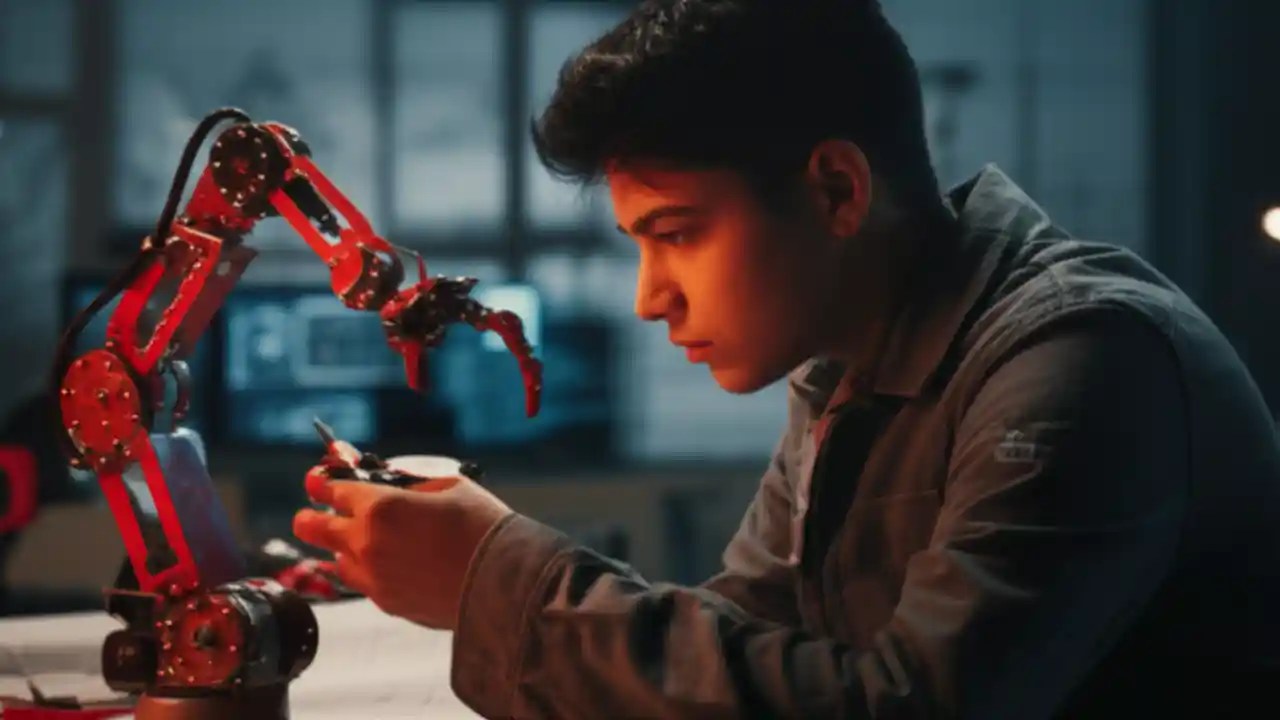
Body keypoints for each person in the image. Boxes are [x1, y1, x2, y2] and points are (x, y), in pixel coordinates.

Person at [292, 0, 1280, 716]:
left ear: (836, 190)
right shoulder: (843, 367)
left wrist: (493, 578)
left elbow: (912, 706)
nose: (648, 296)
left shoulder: (1079, 361)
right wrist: (480, 573)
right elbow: (745, 646)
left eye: (676, 232)